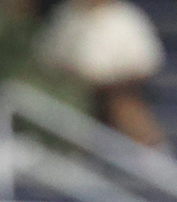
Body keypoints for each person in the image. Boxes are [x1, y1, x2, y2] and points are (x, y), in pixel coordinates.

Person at [37, 0, 165, 147]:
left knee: (123, 108)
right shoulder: (66, 14)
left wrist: (107, 82)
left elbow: (145, 65)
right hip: (69, 90)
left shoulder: (125, 17)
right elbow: (47, 57)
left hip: (115, 91)